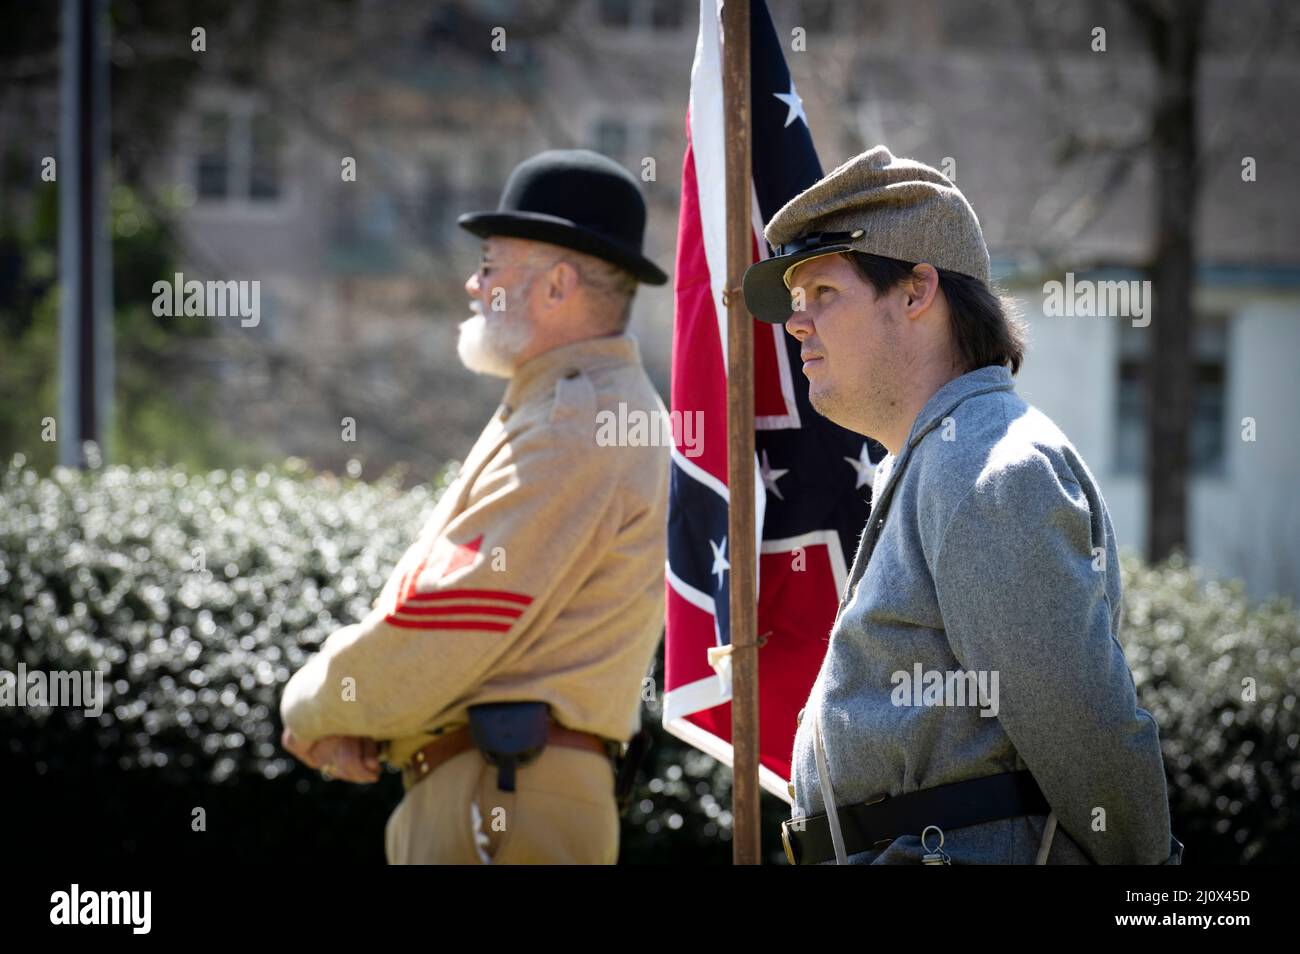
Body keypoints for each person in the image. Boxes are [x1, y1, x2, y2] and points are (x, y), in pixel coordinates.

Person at [742, 144, 1183, 865]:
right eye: (795, 301)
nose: (796, 322)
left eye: (823, 293)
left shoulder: (989, 469)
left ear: (916, 291)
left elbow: (1084, 729)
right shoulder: (936, 461)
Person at [280, 149, 671, 864]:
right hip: (499, 790)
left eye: (490, 265)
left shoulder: (575, 420)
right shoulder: (566, 405)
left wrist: (312, 704)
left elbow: (451, 616)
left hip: (505, 798)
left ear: (558, 285)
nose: (472, 282)